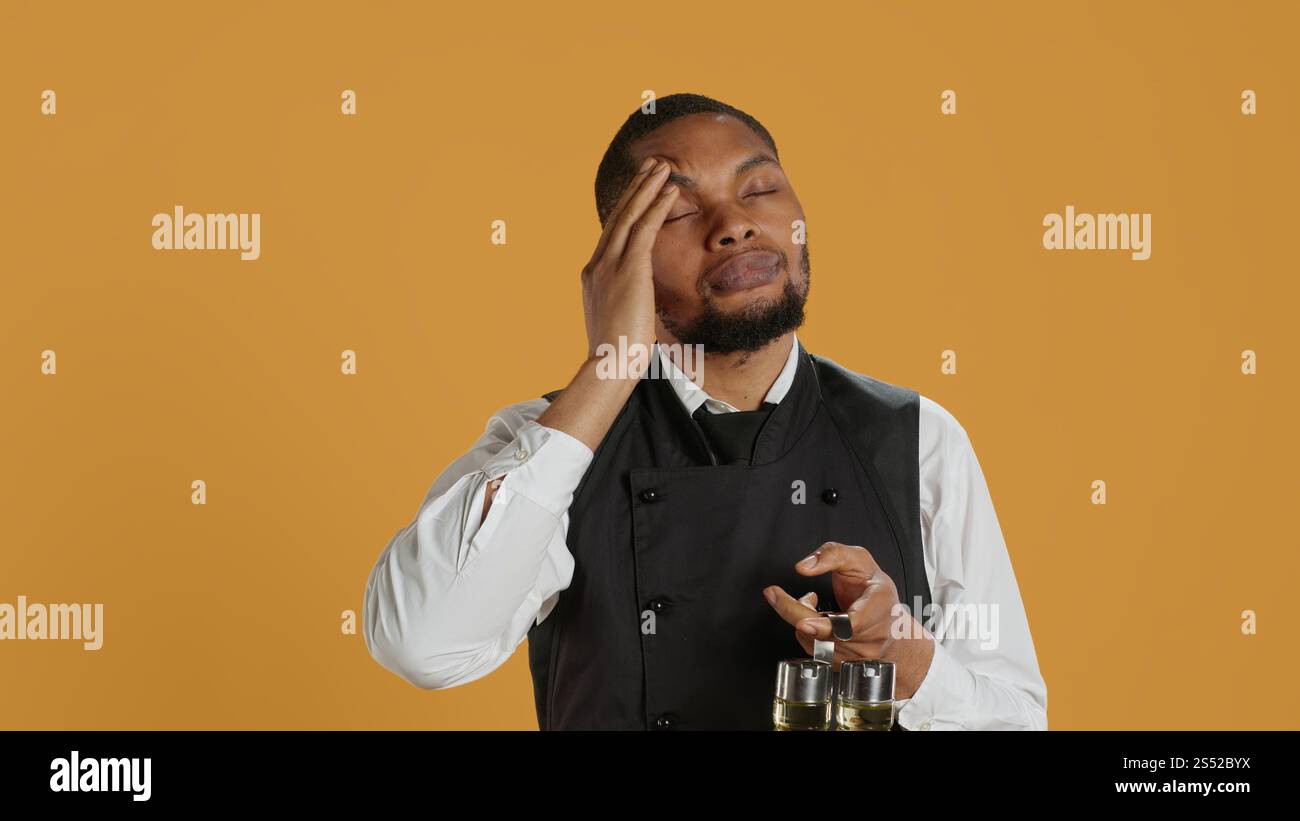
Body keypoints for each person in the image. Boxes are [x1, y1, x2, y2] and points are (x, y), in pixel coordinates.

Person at [362, 93, 1047, 731]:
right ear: (619, 260)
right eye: (682, 212)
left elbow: (1019, 718)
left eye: (759, 189)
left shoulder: (920, 438)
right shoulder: (553, 445)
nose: (735, 225)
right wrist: (610, 368)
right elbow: (421, 643)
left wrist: (910, 661)